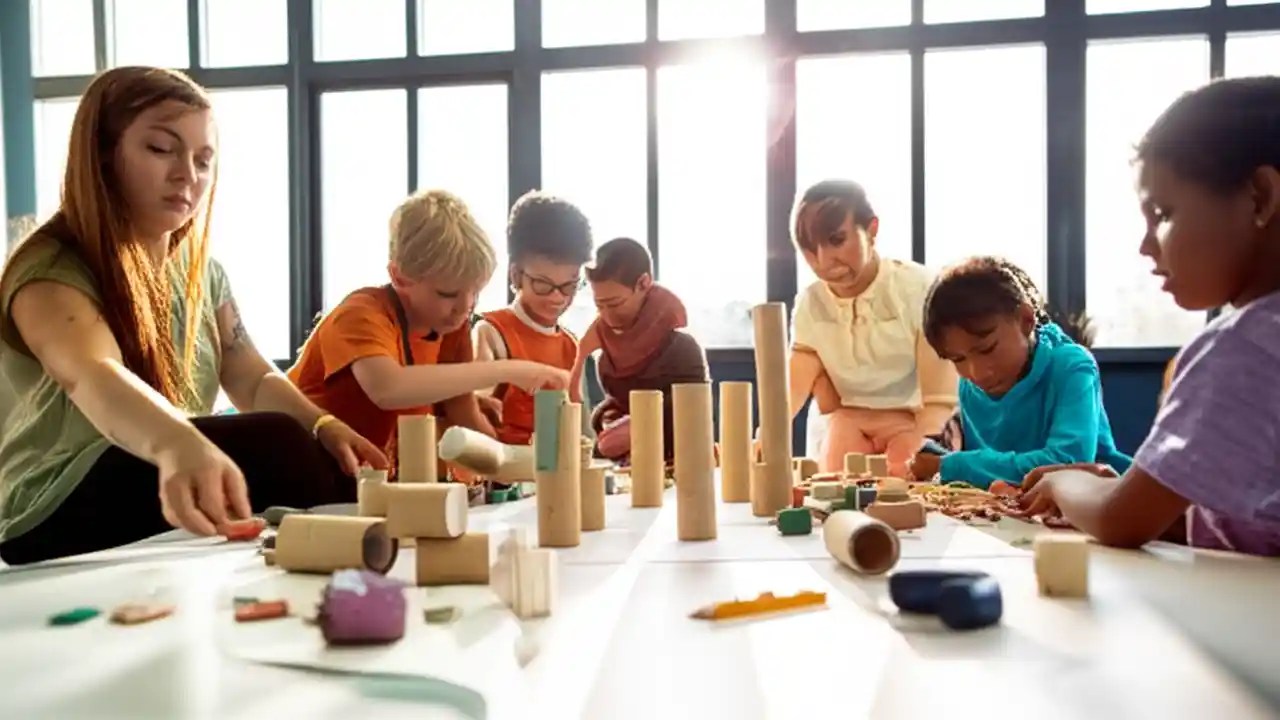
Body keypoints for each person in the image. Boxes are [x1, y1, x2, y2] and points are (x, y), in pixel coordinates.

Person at [0, 67, 387, 565]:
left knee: (317, 453)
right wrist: (177, 444)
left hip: (156, 471)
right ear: (101, 154)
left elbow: (249, 375)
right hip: (50, 503)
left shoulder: (203, 273)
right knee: (277, 446)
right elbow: (91, 374)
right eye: (162, 149)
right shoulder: (51, 270)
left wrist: (324, 424)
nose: (187, 174)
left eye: (204, 160)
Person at [1022, 76, 1280, 556]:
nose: (1145, 246)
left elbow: (1121, 520)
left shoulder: (1243, 346)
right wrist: (1119, 490)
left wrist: (1066, 485)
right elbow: (1248, 522)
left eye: (1162, 214)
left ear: (1260, 197)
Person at [288, 189, 568, 472]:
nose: (465, 307)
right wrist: (512, 370)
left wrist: (511, 467)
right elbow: (387, 388)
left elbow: (463, 412)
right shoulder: (361, 313)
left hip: (375, 478)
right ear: (399, 277)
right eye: (448, 294)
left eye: (476, 293)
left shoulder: (451, 326)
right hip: (307, 468)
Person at [906, 256, 1132, 488]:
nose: (977, 373)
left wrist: (954, 465)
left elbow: (1067, 465)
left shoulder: (1071, 367)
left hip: (1095, 507)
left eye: (987, 349)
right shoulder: (969, 386)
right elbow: (989, 483)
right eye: (958, 359)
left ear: (1025, 320)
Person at [788, 180, 958, 476]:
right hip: (844, 423)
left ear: (872, 230)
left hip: (913, 421)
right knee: (840, 492)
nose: (824, 260)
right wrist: (770, 429)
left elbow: (939, 400)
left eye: (836, 240)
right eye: (809, 248)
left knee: (905, 489)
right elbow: (797, 382)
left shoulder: (919, 287)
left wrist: (925, 448)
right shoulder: (810, 303)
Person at [568, 237, 709, 462]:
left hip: (677, 462)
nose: (606, 315)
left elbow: (694, 413)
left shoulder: (681, 347)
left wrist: (643, 424)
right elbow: (615, 404)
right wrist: (605, 419)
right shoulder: (605, 351)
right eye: (599, 306)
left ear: (643, 283)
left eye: (614, 304)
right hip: (625, 463)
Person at [473, 190, 593, 445]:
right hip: (503, 473)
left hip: (558, 474)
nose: (557, 298)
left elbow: (581, 428)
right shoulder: (491, 332)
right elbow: (474, 407)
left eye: (569, 286)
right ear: (516, 276)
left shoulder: (571, 345)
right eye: (543, 284)